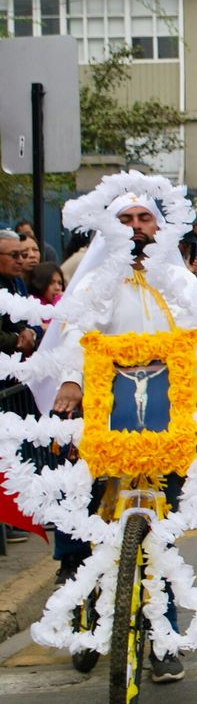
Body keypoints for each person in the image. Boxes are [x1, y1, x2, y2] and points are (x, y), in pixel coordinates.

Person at [48, 189, 197, 683]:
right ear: (111, 227)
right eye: (126, 218)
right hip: (103, 421)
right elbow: (77, 336)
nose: (137, 226)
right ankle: (91, 614)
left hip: (170, 423)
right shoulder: (95, 281)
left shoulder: (178, 281)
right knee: (90, 528)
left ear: (160, 227)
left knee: (157, 535)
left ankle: (162, 640)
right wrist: (71, 383)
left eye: (144, 217)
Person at [0, 229, 38, 545]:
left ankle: (15, 514)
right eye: (14, 255)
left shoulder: (18, 283)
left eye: (22, 254)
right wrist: (15, 340)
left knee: (16, 448)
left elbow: (31, 317)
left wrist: (31, 333)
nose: (20, 260)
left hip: (16, 379)